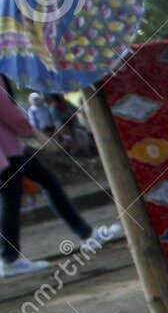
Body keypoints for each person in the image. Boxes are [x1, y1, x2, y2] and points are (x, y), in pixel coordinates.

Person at [0, 78, 123, 276]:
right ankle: (9, 258)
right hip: (7, 150)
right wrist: (35, 134)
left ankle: (87, 234)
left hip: (13, 147)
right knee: (11, 198)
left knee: (48, 183)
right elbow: (7, 110)